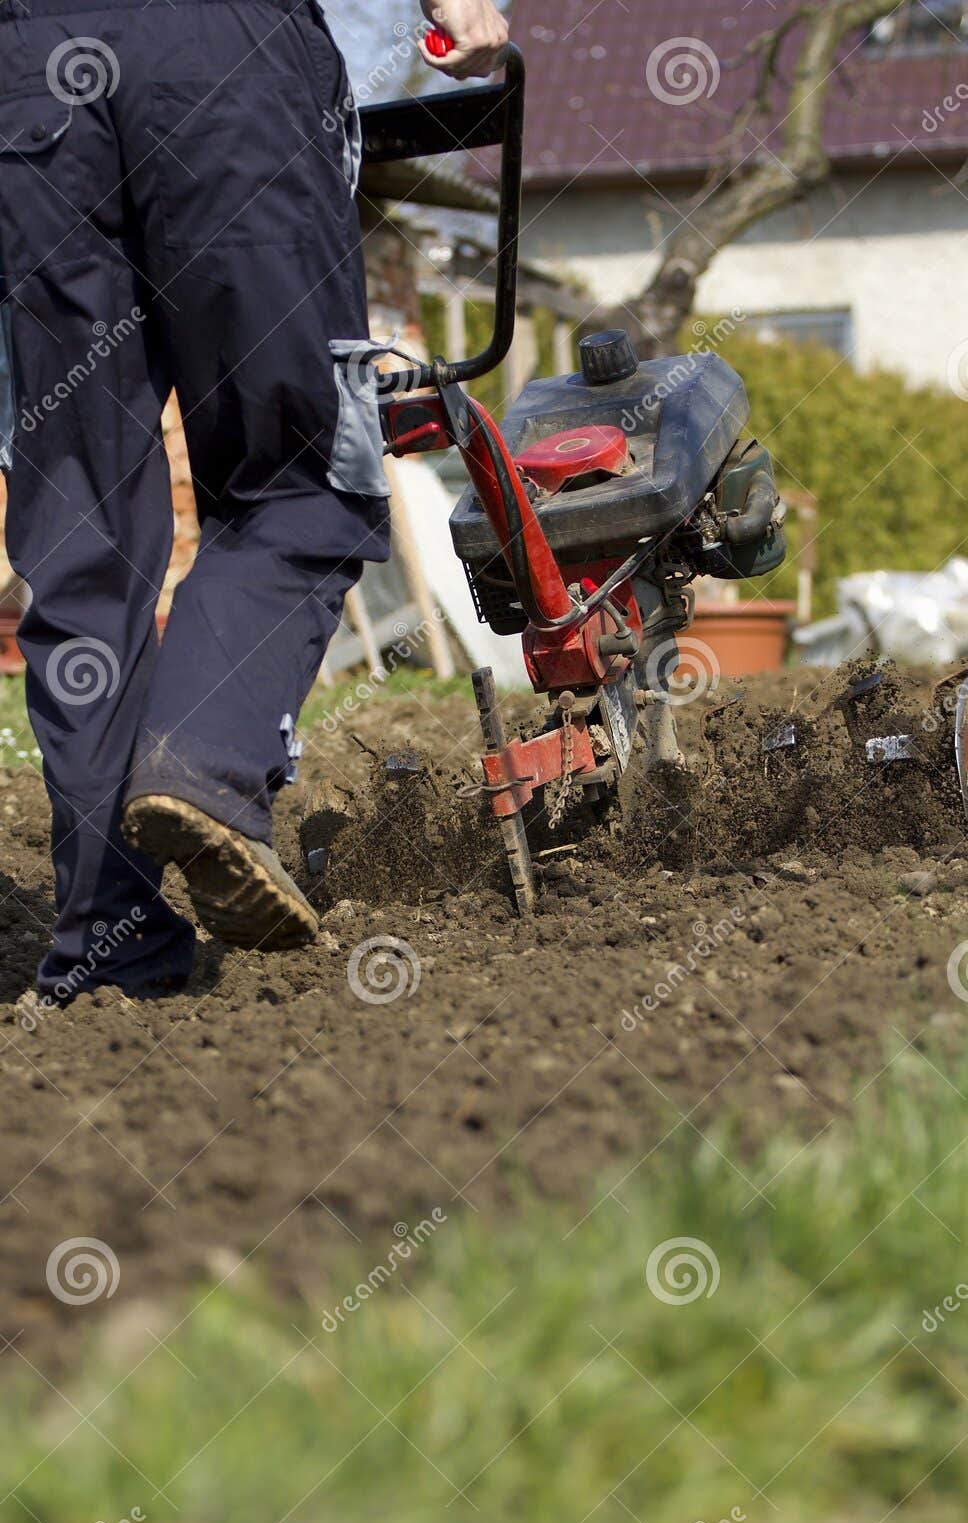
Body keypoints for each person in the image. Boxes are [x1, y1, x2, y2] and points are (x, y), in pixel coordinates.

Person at [0, 0, 509, 1001]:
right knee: (304, 478)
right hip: (223, 59)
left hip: (32, 82)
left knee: (82, 537)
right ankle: (206, 759)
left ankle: (112, 946)